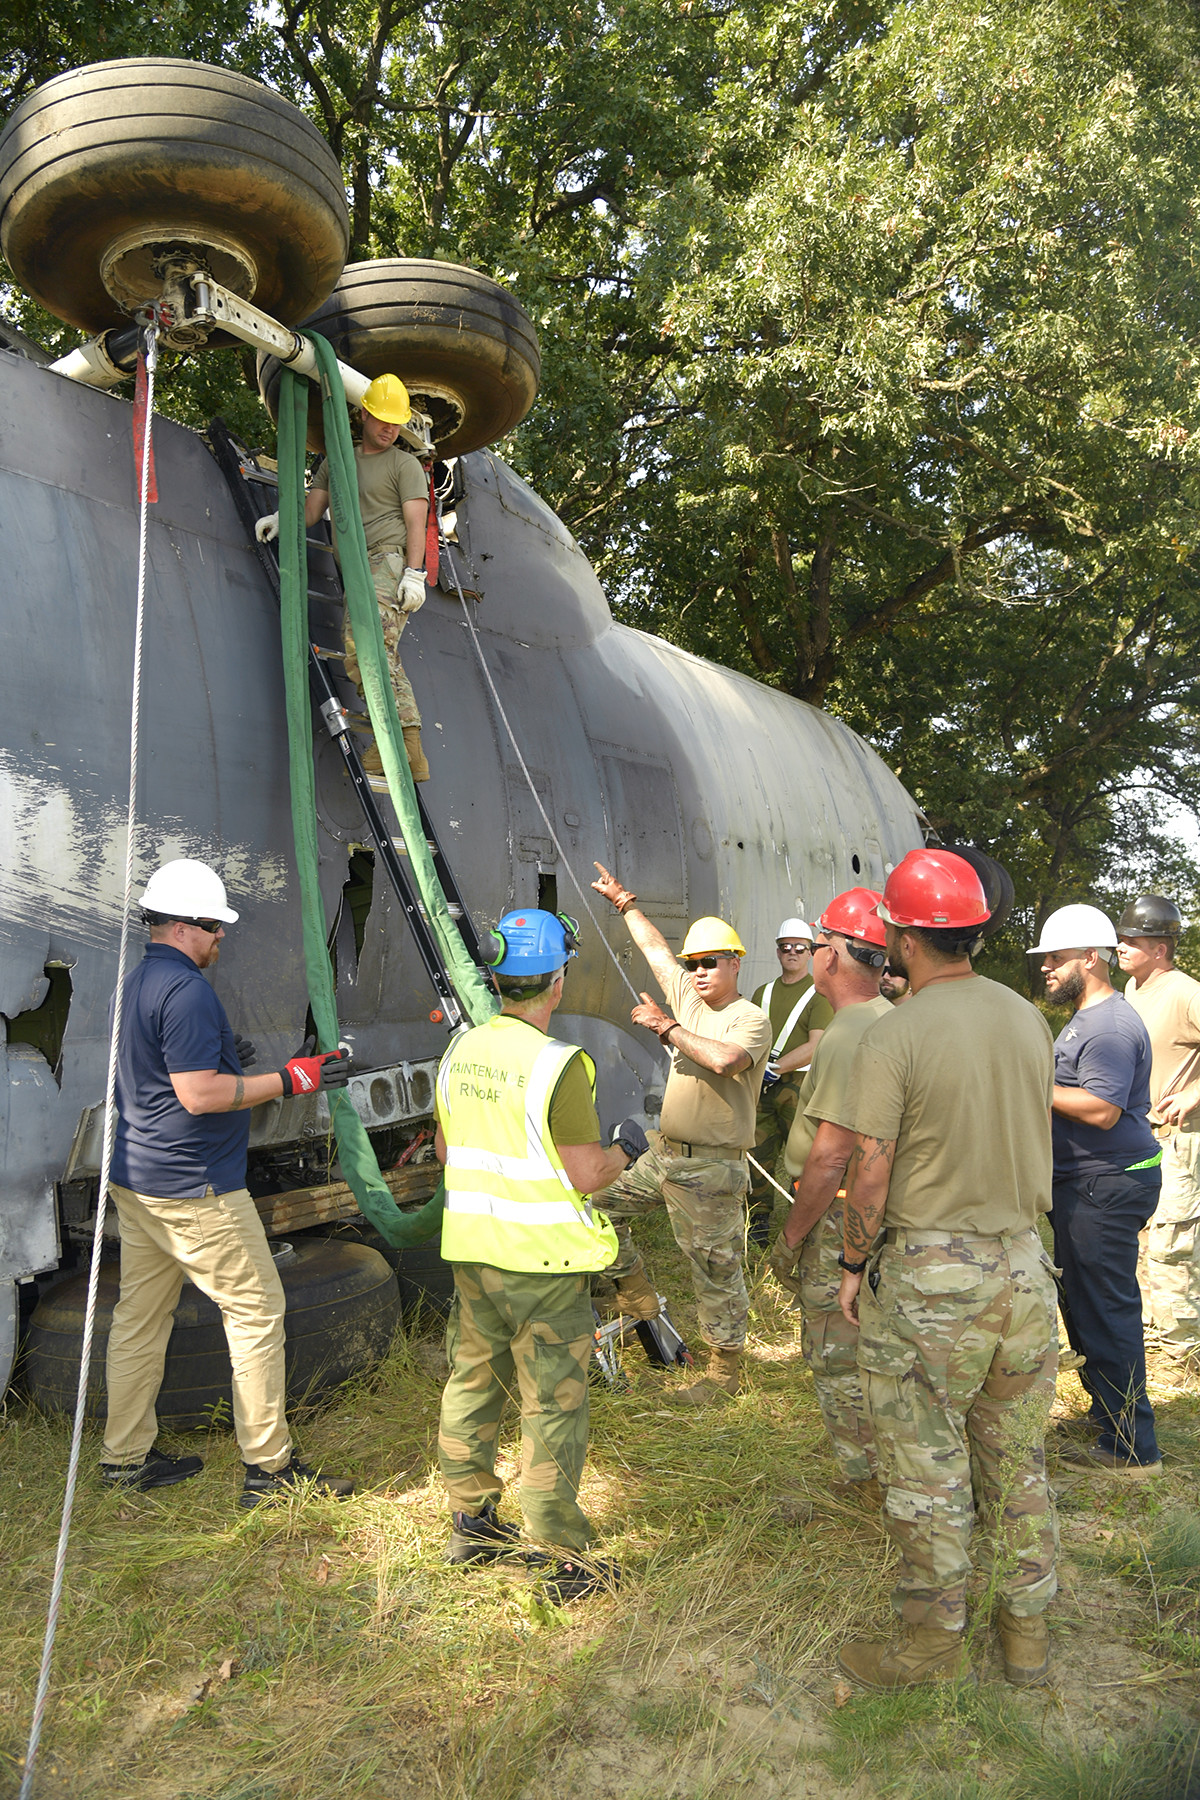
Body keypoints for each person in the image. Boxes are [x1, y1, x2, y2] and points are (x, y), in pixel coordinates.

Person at [835, 848, 1059, 1692]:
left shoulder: (897, 1033)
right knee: (1015, 1457)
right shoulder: (1025, 1017)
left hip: (933, 1278)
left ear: (901, 935)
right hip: (1025, 1268)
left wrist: (855, 1263)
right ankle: (1025, 1634)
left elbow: (871, 1166)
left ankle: (929, 1647)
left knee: (927, 1465)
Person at [103, 858, 355, 1507]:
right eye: (217, 928)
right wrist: (291, 1078)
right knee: (256, 1310)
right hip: (195, 1188)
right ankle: (268, 1471)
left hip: (139, 1180)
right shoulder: (186, 991)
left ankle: (125, 1459)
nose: (222, 940)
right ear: (192, 925)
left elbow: (163, 1067)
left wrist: (218, 1053)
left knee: (140, 1317)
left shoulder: (138, 982)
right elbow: (198, 1095)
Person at [434, 909, 637, 1601]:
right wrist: (631, 1147)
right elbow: (587, 1174)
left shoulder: (460, 1052)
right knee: (552, 1403)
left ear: (497, 978)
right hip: (543, 1267)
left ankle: (471, 1522)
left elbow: (446, 1151)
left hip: (473, 1253)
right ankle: (562, 1555)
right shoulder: (557, 1066)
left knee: (473, 1381)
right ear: (556, 981)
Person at [590, 863, 773, 1403]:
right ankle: (636, 1295)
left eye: (709, 962)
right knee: (593, 1208)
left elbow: (726, 1061)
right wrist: (625, 903)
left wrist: (666, 1027)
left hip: (712, 1166)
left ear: (735, 964)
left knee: (714, 1270)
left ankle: (723, 1374)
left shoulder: (749, 1018)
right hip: (662, 1154)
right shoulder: (690, 997)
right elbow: (657, 956)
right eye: (693, 964)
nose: (696, 972)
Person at [766, 890, 890, 1495]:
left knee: (834, 1350)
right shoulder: (891, 1019)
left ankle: (863, 1478)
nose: (810, 955)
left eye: (816, 946)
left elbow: (831, 1155)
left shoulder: (845, 1033)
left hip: (838, 1215)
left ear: (834, 956)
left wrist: (791, 1235)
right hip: (875, 1213)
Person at [1034, 904, 1163, 1475]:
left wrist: (1028, 1084)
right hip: (1089, 1183)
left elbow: (1103, 1109)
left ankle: (1132, 1449)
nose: (1046, 968)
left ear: (1092, 958)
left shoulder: (1108, 1024)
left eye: (1056, 958)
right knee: (1085, 1302)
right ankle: (1110, 1416)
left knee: (1106, 1309)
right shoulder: (1092, 1014)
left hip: (1103, 1185)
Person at [258, 373, 431, 782]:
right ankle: (404, 747)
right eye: (382, 418)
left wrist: (414, 574)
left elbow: (416, 523)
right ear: (363, 413)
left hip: (387, 561)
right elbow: (313, 511)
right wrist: (284, 518)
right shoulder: (336, 462)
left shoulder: (404, 464)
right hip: (353, 565)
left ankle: (404, 744)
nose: (390, 428)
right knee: (365, 648)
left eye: (397, 422)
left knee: (368, 641)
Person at [1118, 894, 1200, 1358]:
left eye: (1132, 939)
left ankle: (1180, 1352)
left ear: (1160, 949)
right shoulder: (1133, 990)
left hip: (1180, 1139)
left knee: (1173, 1242)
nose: (1122, 945)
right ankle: (1151, 1336)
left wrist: (1193, 1092)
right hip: (1142, 1137)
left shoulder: (1186, 992)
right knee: (1145, 1236)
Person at [747, 918, 833, 1246]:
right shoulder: (763, 992)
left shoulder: (819, 994)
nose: (792, 953)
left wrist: (777, 1067)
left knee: (802, 1158)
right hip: (762, 1085)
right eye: (786, 947)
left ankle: (806, 1222)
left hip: (798, 1086)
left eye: (800, 947)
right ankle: (759, 1221)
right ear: (778, 951)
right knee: (759, 1153)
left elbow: (817, 1044)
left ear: (810, 952)